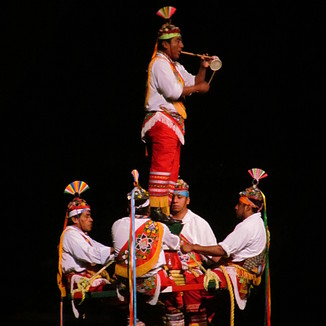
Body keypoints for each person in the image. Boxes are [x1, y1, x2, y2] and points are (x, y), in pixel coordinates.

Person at [141, 6, 214, 223]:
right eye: (178, 41)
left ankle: (163, 210)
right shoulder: (159, 64)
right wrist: (199, 89)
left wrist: (203, 67)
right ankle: (156, 208)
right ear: (165, 43)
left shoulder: (174, 66)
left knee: (173, 167)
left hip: (173, 123)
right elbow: (174, 91)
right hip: (162, 119)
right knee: (163, 163)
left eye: (181, 41)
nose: (182, 45)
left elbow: (194, 82)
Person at [180, 169, 271, 325]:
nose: (236, 207)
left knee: (192, 288)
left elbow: (222, 250)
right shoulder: (259, 224)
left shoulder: (248, 227)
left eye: (239, 204)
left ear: (248, 207)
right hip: (240, 275)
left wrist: (193, 247)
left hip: (236, 275)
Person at [111, 170, 183, 325]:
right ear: (149, 209)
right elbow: (175, 243)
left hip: (125, 284)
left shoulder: (116, 225)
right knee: (175, 292)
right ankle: (174, 318)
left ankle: (135, 319)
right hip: (148, 284)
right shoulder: (159, 227)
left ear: (128, 208)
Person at [57, 181, 115, 320]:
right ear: (75, 219)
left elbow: (100, 249)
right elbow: (90, 255)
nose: (91, 219)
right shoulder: (70, 234)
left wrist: (119, 252)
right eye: (87, 216)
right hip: (80, 280)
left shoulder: (82, 236)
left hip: (88, 278)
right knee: (117, 293)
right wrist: (114, 250)